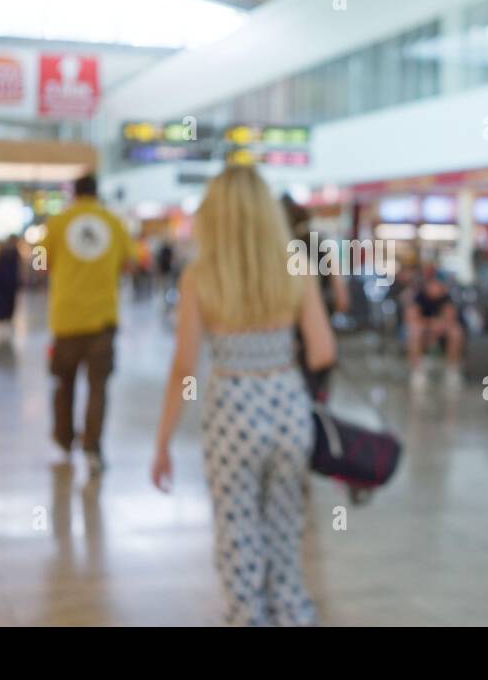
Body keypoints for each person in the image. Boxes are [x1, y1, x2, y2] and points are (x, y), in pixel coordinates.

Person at [150, 165, 336, 626]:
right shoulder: (295, 264)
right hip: (288, 404)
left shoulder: (201, 275)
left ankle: (246, 616)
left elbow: (184, 368)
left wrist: (163, 441)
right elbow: (322, 351)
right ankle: (292, 611)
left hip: (232, 408)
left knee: (237, 530)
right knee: (285, 526)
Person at [41, 174, 135, 475]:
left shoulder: (58, 223)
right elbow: (129, 263)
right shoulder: (113, 222)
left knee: (63, 384)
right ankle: (92, 447)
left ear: (74, 193)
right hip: (102, 320)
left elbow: (40, 263)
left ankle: (63, 441)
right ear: (97, 193)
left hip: (65, 320)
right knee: (98, 387)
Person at [405, 267, 464, 391]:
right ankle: (417, 371)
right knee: (414, 331)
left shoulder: (446, 298)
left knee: (456, 332)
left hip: (441, 331)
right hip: (424, 331)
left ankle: (452, 370)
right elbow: (412, 318)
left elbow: (450, 318)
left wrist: (438, 326)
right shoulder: (419, 297)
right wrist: (430, 324)